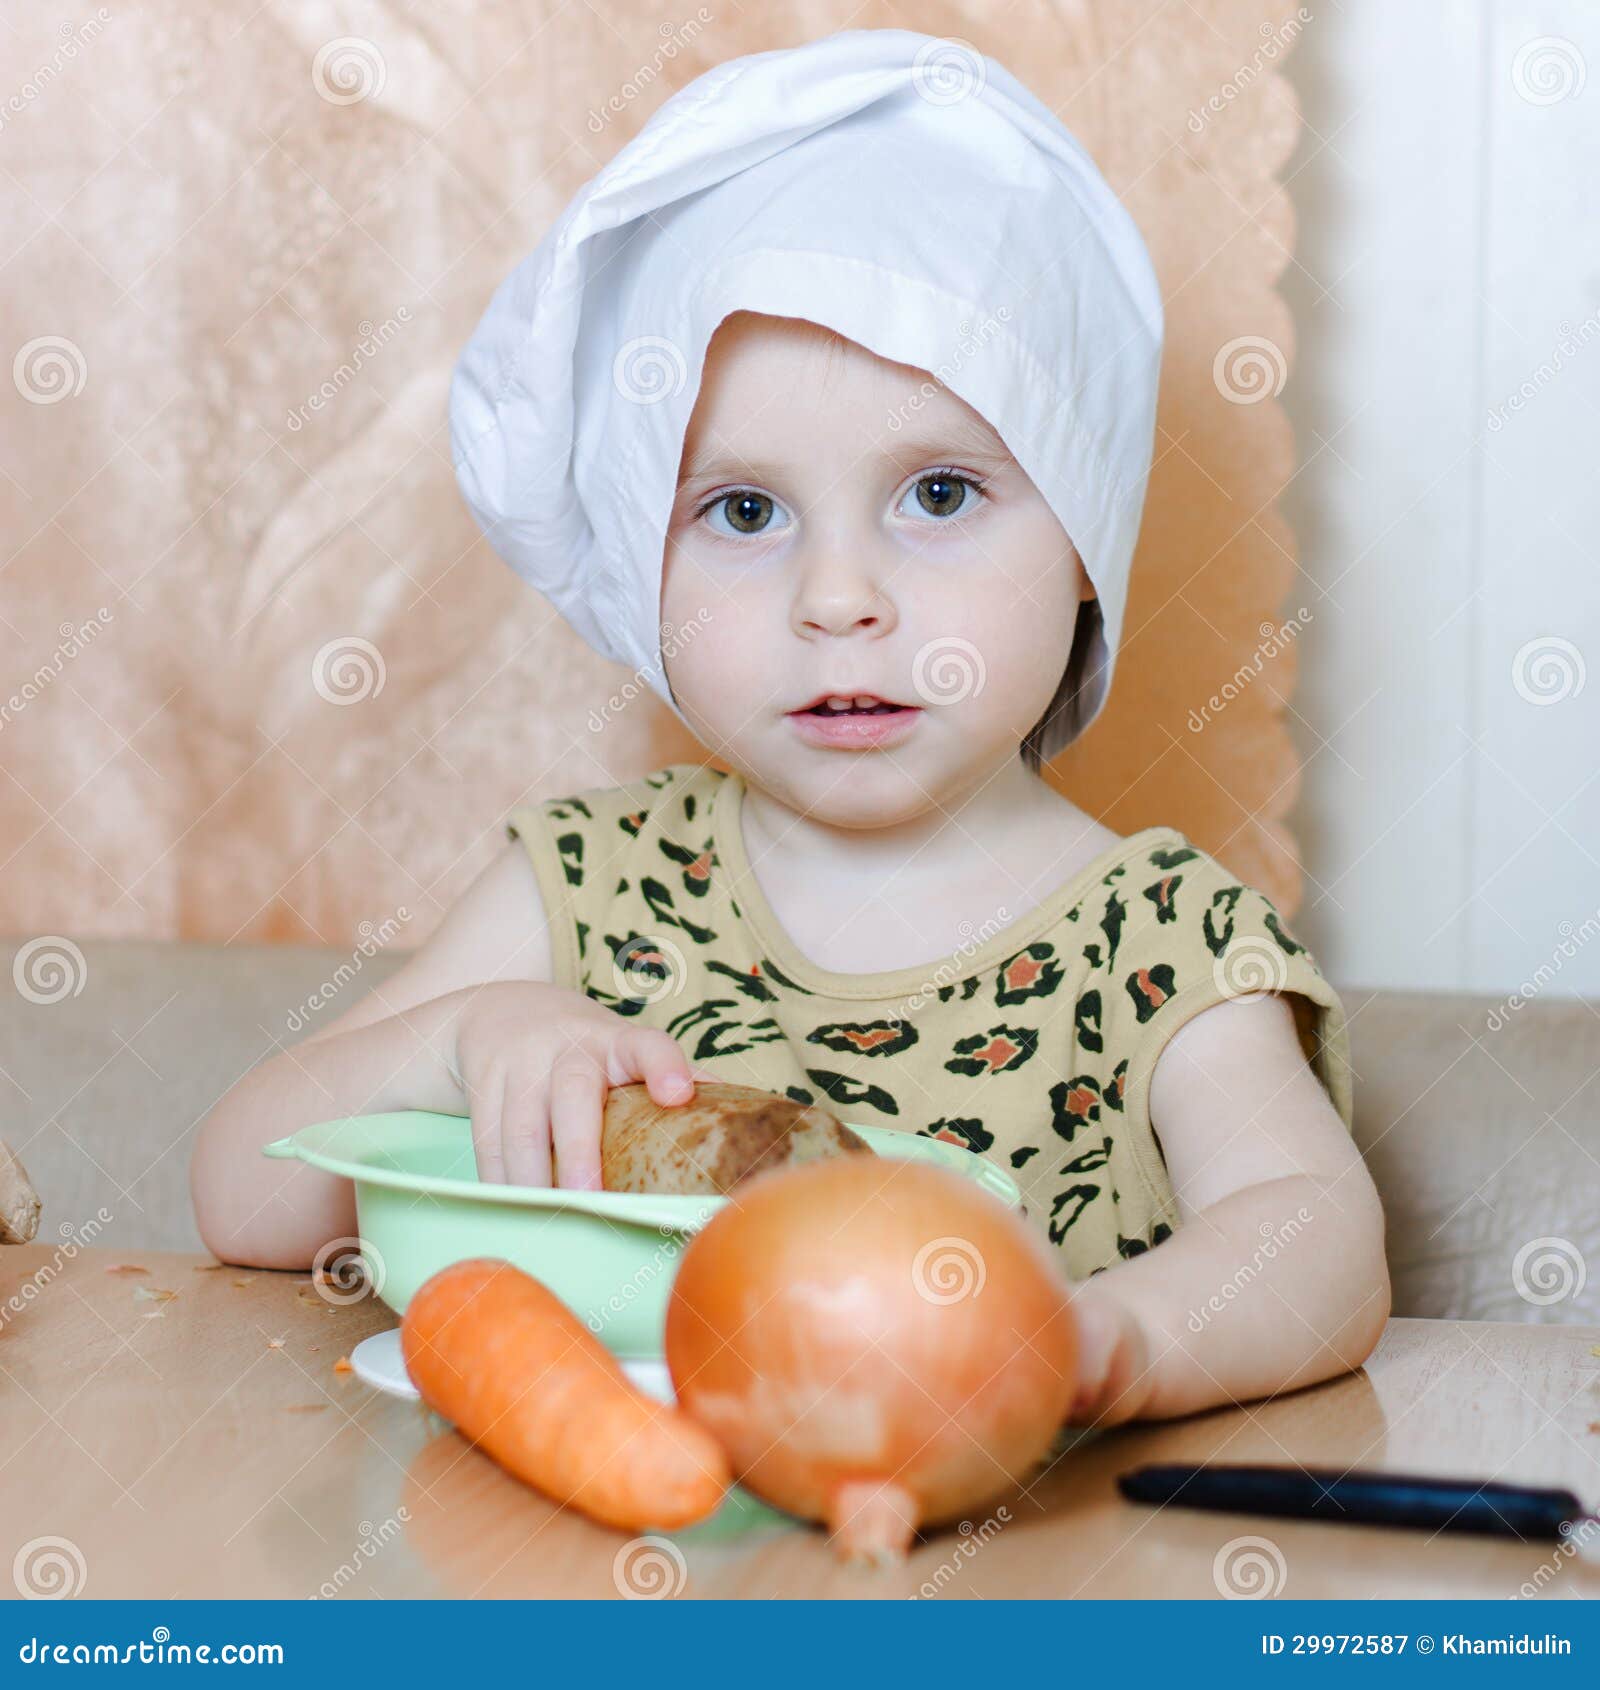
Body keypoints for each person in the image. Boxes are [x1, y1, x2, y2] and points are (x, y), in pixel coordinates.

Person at [191, 29, 1389, 1426]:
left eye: (939, 493)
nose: (839, 599)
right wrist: (466, 1036)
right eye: (744, 511)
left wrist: (1112, 1341)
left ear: (1083, 538)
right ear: (646, 566)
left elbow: (1318, 1240)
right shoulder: (588, 894)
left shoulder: (1157, 945)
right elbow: (242, 1191)